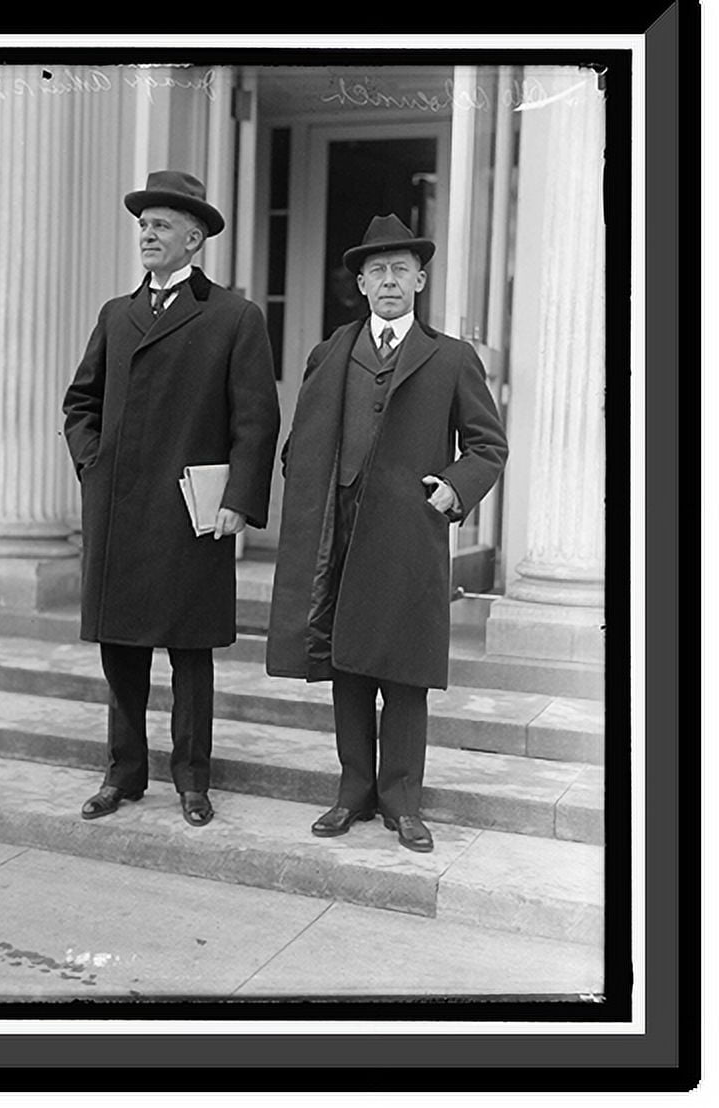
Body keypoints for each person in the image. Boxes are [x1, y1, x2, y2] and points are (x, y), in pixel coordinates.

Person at [266, 214, 508, 853]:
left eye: (401, 269)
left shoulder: (450, 357)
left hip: (408, 536)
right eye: (377, 271)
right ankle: (353, 792)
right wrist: (312, 484)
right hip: (340, 532)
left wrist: (452, 488)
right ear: (361, 285)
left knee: (403, 670)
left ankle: (402, 801)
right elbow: (299, 442)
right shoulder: (331, 353)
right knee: (347, 663)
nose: (390, 281)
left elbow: (487, 445)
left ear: (420, 280)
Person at [63, 170, 280, 826]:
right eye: (143, 225)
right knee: (120, 649)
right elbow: (81, 402)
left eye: (161, 225)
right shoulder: (116, 314)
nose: (147, 235)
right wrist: (93, 464)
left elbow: (256, 419)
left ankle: (192, 779)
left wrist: (238, 499)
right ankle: (124, 773)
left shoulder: (234, 317)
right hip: (120, 508)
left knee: (190, 650)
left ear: (194, 239)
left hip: (192, 511)